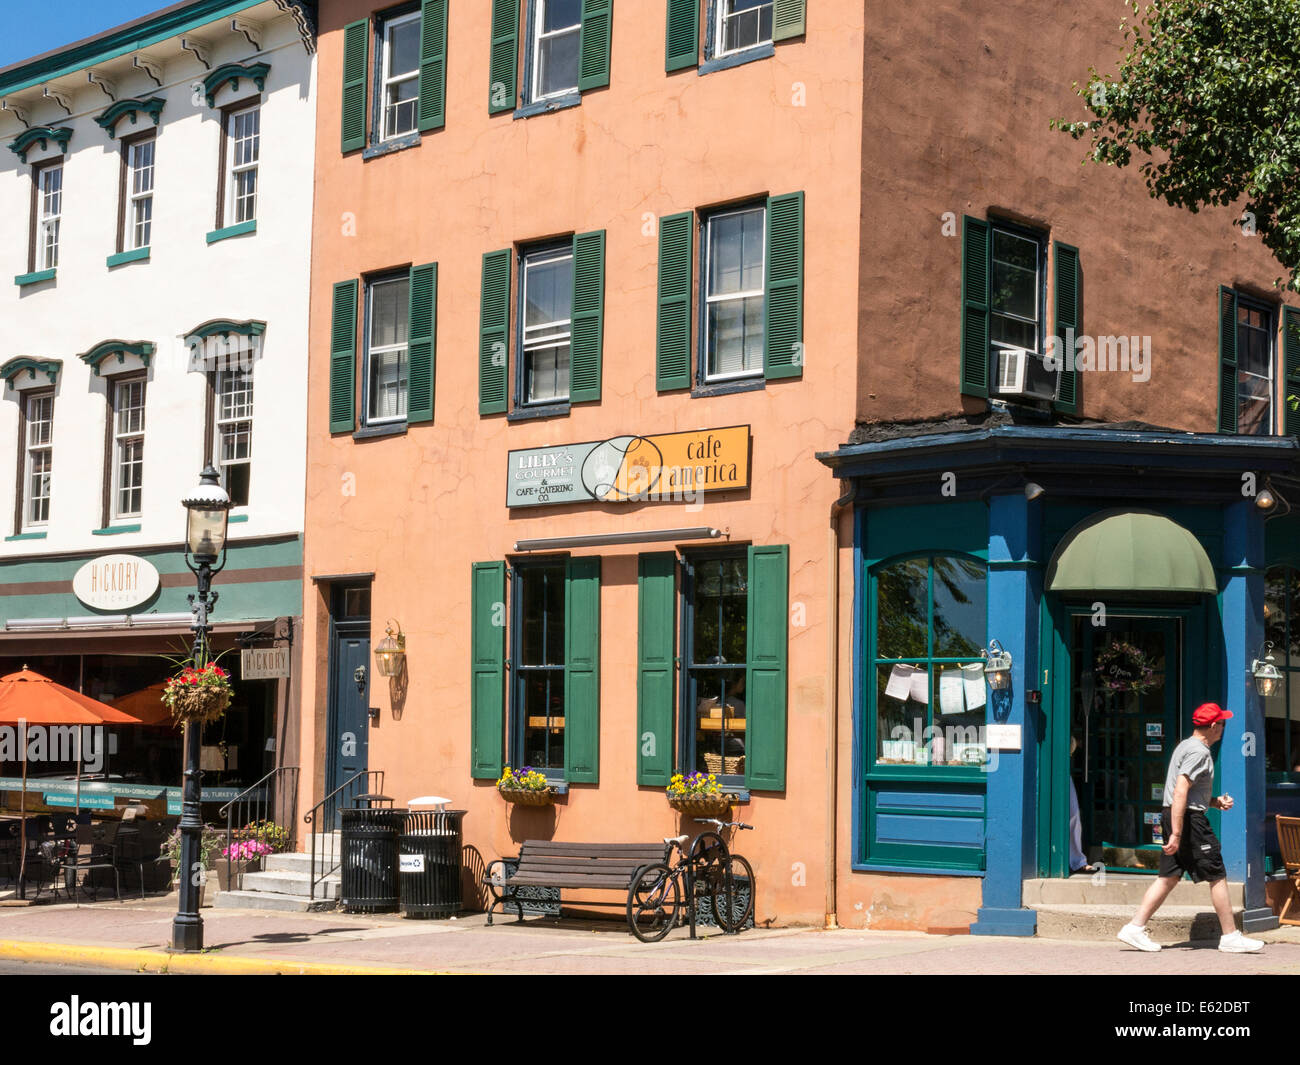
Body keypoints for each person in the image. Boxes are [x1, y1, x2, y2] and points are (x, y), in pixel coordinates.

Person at [1117, 702, 1264, 953]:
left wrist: (1215, 802)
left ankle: (1134, 928)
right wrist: (1177, 832)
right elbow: (1181, 789)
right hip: (1188, 820)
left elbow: (1188, 791)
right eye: (1223, 724)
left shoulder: (1186, 746)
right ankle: (1230, 936)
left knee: (1169, 876)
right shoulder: (1199, 752)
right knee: (1216, 873)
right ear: (1214, 726)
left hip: (1176, 813)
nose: (1223, 729)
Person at [1068, 735, 1094, 874]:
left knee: (1073, 816)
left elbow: (1070, 745)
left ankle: (1077, 861)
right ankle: (1076, 860)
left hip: (1062, 771)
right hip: (1051, 771)